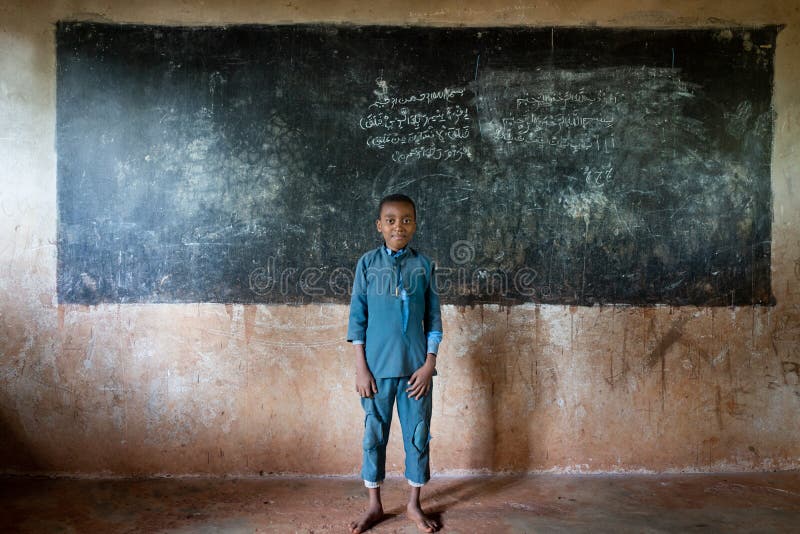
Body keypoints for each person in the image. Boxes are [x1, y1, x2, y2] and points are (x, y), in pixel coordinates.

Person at [346, 193, 443, 533]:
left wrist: (429, 364)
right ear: (379, 225)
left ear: (415, 224)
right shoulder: (368, 265)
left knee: (418, 436)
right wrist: (361, 367)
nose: (398, 226)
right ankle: (374, 505)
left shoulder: (424, 266)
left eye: (406, 220)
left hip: (416, 372)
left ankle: (414, 504)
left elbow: (433, 320)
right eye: (390, 220)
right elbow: (357, 319)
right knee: (374, 436)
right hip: (375, 372)